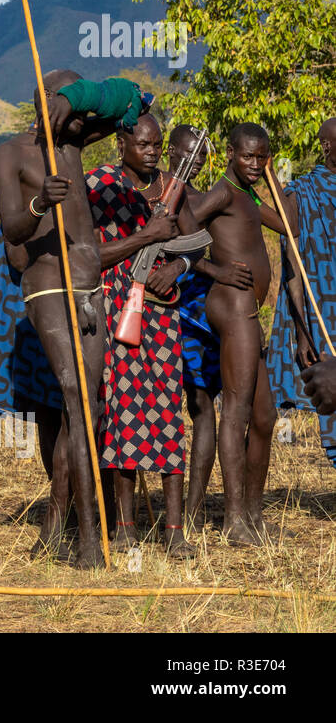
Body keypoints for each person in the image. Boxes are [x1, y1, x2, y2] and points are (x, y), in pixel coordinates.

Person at [0, 71, 146, 567]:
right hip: (46, 281)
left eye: (75, 107)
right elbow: (13, 229)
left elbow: (134, 103)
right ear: (40, 105)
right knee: (77, 394)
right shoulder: (11, 153)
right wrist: (41, 202)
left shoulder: (77, 140)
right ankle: (87, 540)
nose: (76, 117)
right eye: (60, 104)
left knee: (89, 407)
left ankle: (56, 523)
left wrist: (78, 98)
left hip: (88, 282)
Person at [86, 115, 192, 556]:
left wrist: (177, 265)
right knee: (123, 413)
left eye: (157, 144)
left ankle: (174, 531)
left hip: (163, 314)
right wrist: (145, 238)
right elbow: (89, 254)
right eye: (144, 143)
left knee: (168, 412)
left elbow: (197, 244)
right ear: (122, 141)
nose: (151, 151)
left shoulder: (171, 186)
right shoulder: (99, 184)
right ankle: (126, 527)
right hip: (116, 306)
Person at [190, 123, 284, 545]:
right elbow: (176, 230)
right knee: (238, 410)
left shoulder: (247, 194)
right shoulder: (223, 192)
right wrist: (214, 269)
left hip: (250, 311)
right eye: (248, 156)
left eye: (262, 157)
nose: (255, 163)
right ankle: (233, 520)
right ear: (230, 153)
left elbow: (291, 224)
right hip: (231, 305)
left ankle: (253, 512)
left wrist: (270, 177)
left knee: (265, 416)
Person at [165, 125, 227, 531]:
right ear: (170, 151)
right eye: (187, 155)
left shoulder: (197, 199)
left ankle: (192, 513)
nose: (193, 163)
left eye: (200, 158)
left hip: (197, 313)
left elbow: (194, 244)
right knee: (160, 409)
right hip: (157, 308)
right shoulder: (152, 191)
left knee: (202, 405)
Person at [266, 117, 336, 470]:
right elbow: (290, 247)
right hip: (324, 308)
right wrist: (301, 326)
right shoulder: (303, 191)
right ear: (325, 146)